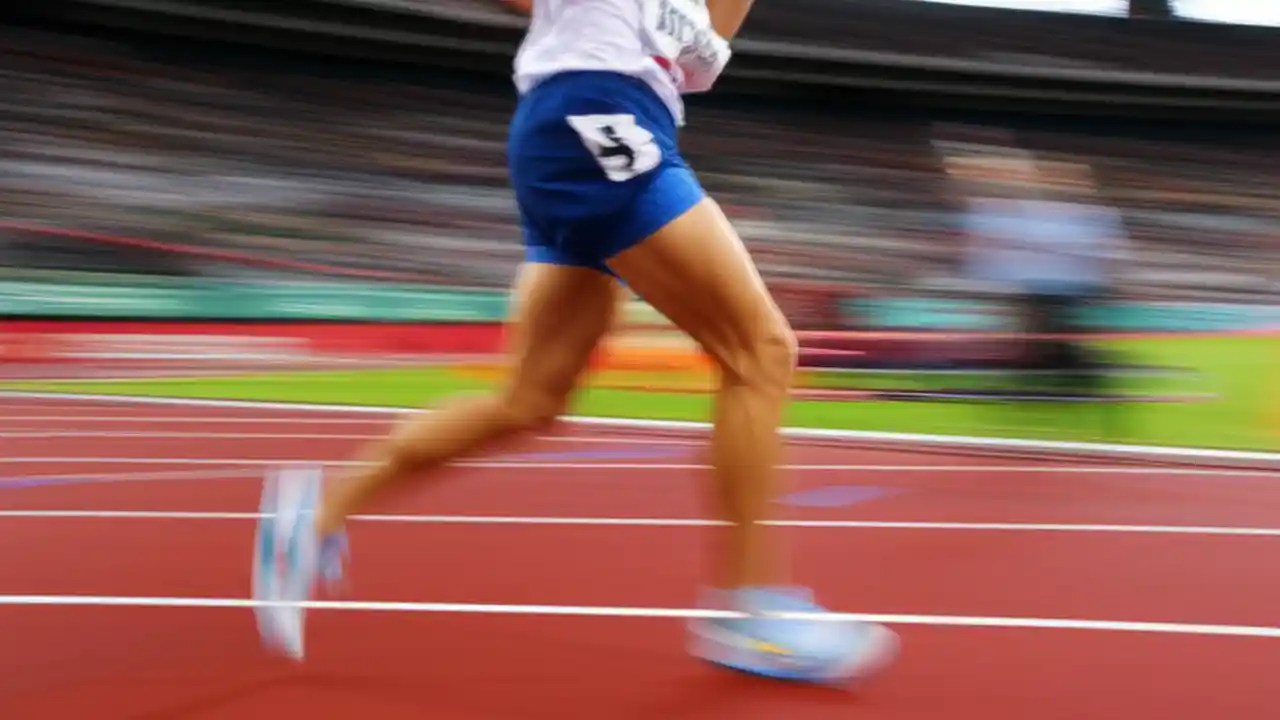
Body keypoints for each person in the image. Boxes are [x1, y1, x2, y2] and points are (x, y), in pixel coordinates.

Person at [253, 0, 898, 684]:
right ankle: (748, 611)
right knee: (761, 352)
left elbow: (703, 45)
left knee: (529, 402)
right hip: (594, 117)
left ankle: (317, 512)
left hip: (599, 127)